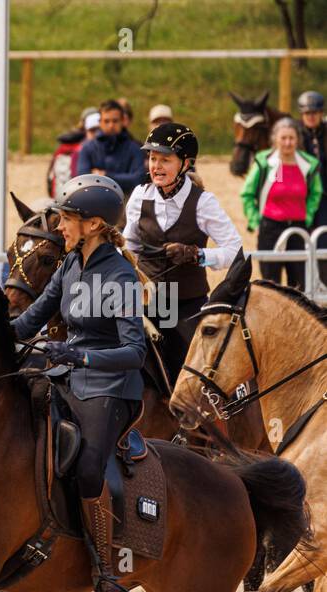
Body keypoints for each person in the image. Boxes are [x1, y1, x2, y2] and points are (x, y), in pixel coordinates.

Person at [10, 174, 148, 592]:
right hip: (67, 375)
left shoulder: (121, 275)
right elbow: (29, 320)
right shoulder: (69, 265)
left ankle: (106, 574)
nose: (60, 227)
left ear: (92, 225)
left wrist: (79, 356)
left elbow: (133, 352)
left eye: (66, 219)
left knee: (89, 465)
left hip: (111, 387)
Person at [124, 122, 243, 385]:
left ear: (186, 163)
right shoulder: (138, 197)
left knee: (200, 375)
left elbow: (235, 250)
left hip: (186, 306)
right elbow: (128, 247)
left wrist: (197, 255)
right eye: (153, 159)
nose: (156, 166)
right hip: (145, 302)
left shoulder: (204, 202)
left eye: (165, 160)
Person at [239, 117, 321, 291]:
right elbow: (247, 194)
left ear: (297, 140)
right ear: (275, 139)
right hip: (271, 228)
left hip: (299, 230)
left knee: (300, 287)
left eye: (291, 138)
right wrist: (256, 221)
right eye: (283, 138)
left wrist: (308, 215)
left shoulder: (308, 164)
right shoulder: (265, 162)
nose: (287, 142)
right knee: (271, 286)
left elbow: (316, 193)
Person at [75, 99, 145, 198]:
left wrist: (106, 176)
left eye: (115, 121)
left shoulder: (134, 148)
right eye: (106, 121)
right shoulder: (87, 148)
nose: (111, 125)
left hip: (125, 203)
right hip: (93, 201)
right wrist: (122, 178)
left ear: (122, 121)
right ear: (100, 122)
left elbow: (138, 179)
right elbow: (83, 180)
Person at [295, 91, 327, 285]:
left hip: (324, 197)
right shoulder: (295, 135)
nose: (311, 116)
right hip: (303, 197)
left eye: (315, 112)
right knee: (303, 241)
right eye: (307, 113)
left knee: (323, 241)